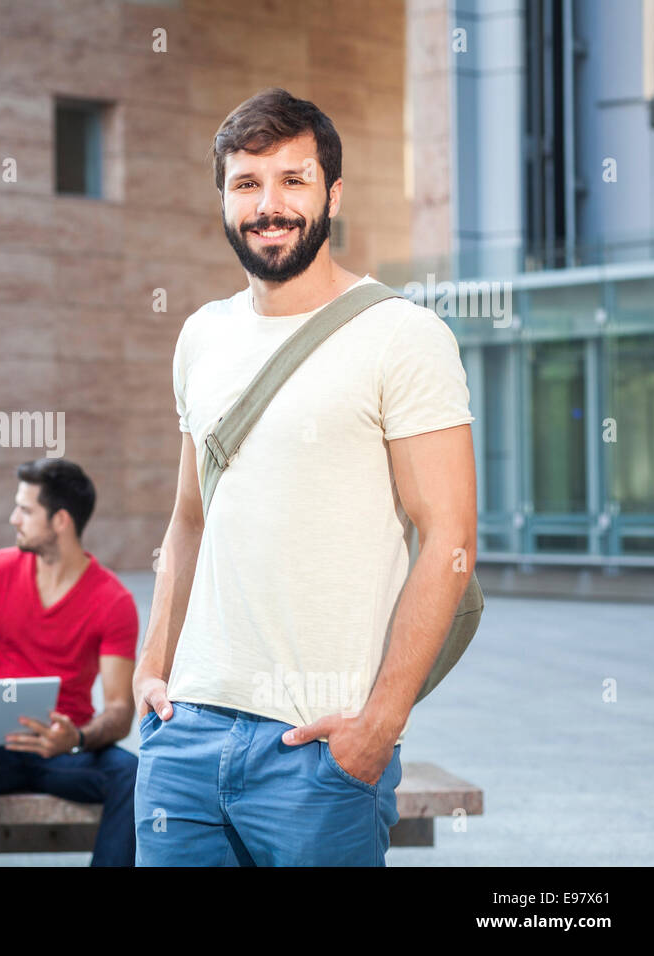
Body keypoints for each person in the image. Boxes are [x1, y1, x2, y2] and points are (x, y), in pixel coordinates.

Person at [133, 88, 478, 866]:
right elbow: (189, 519)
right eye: (247, 183)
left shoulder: (402, 336)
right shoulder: (203, 335)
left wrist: (378, 726)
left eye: (294, 179)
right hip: (184, 741)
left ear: (333, 194)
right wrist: (153, 669)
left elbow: (450, 538)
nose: (269, 204)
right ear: (222, 199)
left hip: (318, 753)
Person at [0, 458, 140, 867]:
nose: (13, 518)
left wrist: (75, 737)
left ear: (60, 520)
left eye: (25, 510)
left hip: (65, 753)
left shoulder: (114, 601)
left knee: (133, 776)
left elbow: (119, 710)